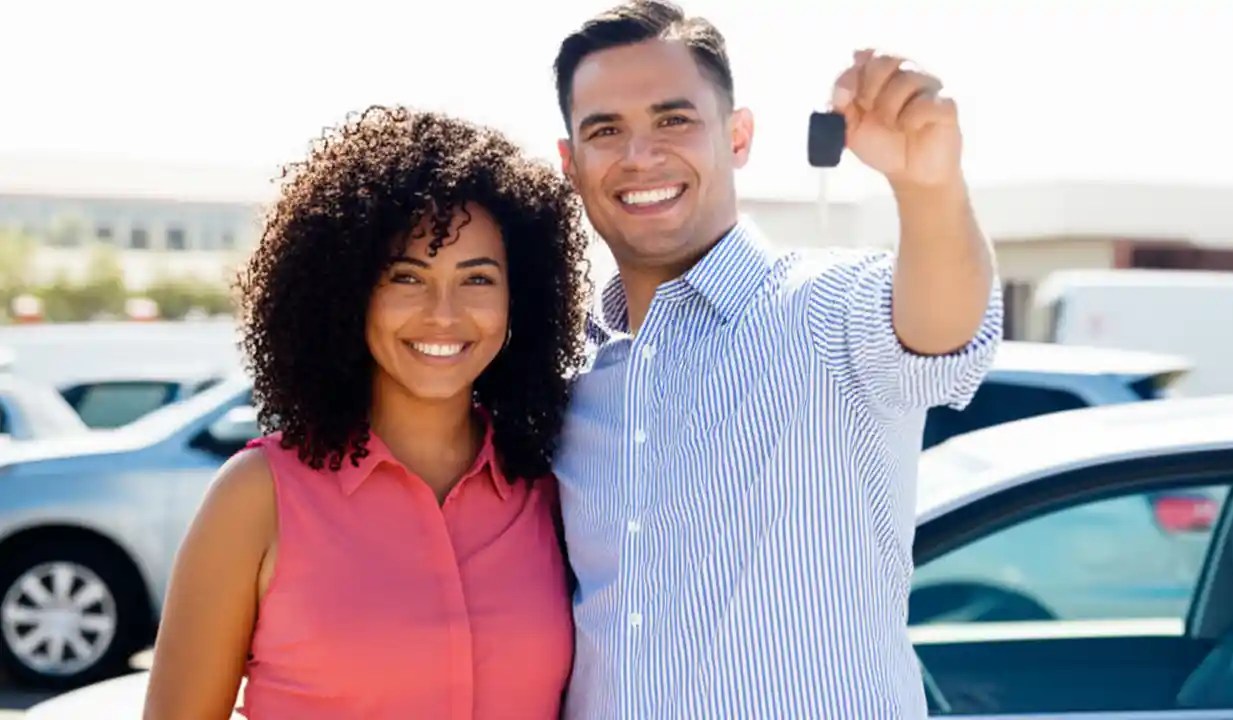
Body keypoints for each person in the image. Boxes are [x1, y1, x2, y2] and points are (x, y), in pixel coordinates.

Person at [549, 1, 1003, 717]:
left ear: (738, 136)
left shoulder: (824, 308)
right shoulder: (572, 377)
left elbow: (941, 331)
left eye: (674, 120)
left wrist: (929, 188)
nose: (640, 156)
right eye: (606, 130)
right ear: (571, 163)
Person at [142, 106, 590, 719]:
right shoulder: (256, 497)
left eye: (478, 279)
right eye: (407, 277)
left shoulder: (550, 490)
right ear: (349, 291)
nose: (443, 313)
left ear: (522, 297)